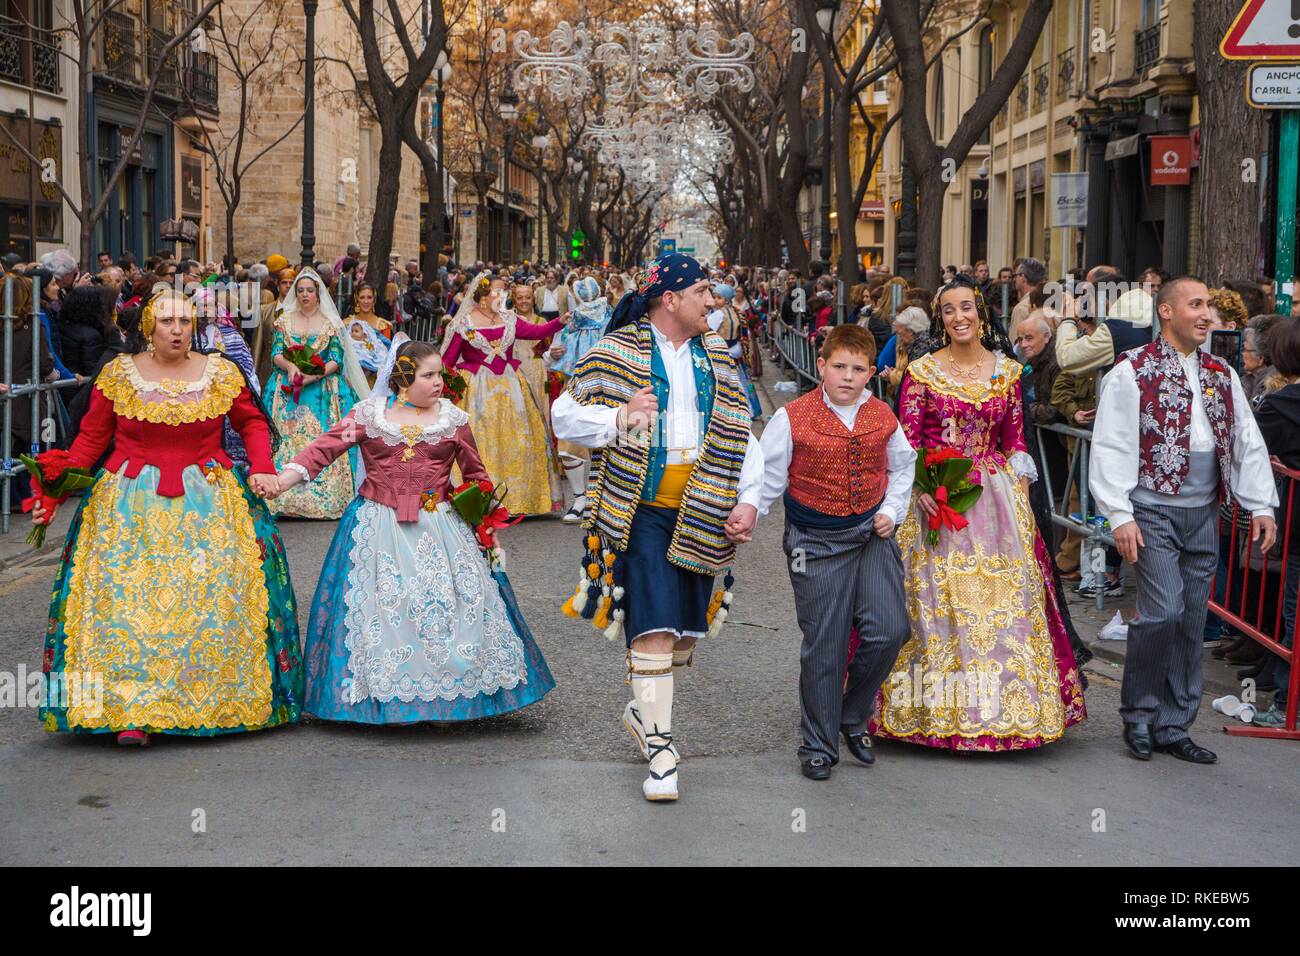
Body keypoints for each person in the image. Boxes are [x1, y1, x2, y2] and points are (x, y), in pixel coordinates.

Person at [31, 290, 302, 746]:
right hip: (127, 505)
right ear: (148, 327)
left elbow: (252, 422)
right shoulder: (119, 375)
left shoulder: (218, 373)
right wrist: (53, 490)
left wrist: (261, 467)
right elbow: (89, 443)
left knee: (210, 599)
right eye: (167, 321)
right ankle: (128, 710)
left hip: (210, 499)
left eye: (184, 321)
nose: (177, 330)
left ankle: (209, 696)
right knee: (125, 605)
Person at [551, 253, 764, 801]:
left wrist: (749, 500)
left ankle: (642, 711)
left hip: (705, 509)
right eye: (701, 292)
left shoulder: (716, 352)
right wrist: (617, 417)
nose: (711, 302)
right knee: (654, 627)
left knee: (684, 637)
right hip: (638, 510)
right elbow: (564, 416)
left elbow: (742, 429)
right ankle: (662, 751)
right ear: (670, 299)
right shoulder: (618, 349)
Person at [271, 337, 554, 723]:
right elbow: (324, 449)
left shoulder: (452, 421)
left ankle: (450, 695)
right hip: (377, 523)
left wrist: (488, 528)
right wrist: (283, 481)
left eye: (440, 374)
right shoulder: (369, 417)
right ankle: (386, 696)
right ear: (404, 378)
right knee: (386, 608)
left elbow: (476, 477)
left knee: (445, 606)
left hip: (439, 525)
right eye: (429, 375)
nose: (439, 382)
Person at [872, 276, 1087, 750]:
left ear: (981, 313)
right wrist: (924, 489)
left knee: (1002, 603)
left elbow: (1013, 440)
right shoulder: (924, 371)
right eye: (948, 310)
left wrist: (1019, 485)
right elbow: (909, 441)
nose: (959, 317)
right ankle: (933, 712)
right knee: (937, 601)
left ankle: (1006, 712)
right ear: (941, 320)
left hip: (996, 502)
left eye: (966, 307)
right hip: (939, 495)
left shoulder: (1007, 373)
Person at [1090, 276, 1277, 763]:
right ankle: (1139, 715)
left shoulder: (1222, 373)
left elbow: (1245, 440)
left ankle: (1175, 723)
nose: (1205, 314)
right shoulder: (1131, 371)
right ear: (1167, 312)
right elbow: (1111, 443)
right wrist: (1119, 513)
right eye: (1195, 304)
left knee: (1192, 617)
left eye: (1208, 306)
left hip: (1203, 512)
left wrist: (1260, 504)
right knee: (1162, 612)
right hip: (1151, 510)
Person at [734, 325, 913, 779]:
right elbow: (769, 476)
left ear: (872, 372)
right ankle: (817, 743)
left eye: (858, 369)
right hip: (814, 544)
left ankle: (852, 716)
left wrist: (892, 510)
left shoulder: (883, 416)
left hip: (871, 535)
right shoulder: (791, 417)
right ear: (821, 367)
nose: (848, 377)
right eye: (839, 367)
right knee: (826, 645)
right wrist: (751, 511)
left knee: (890, 630)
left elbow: (902, 466)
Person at [441, 272, 567, 516]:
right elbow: (448, 360)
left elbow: (535, 333)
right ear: (484, 295)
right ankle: (482, 497)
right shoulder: (464, 323)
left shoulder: (509, 319)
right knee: (482, 441)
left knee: (519, 439)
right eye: (498, 292)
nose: (502, 296)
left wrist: (560, 321)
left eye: (504, 292)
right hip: (478, 393)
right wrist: (446, 392)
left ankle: (520, 499)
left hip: (512, 389)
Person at [265, 268, 370, 519]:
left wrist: (315, 375)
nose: (304, 295)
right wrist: (290, 366)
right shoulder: (284, 320)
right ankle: (281, 491)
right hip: (288, 389)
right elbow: (276, 353)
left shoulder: (330, 323)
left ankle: (324, 492)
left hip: (323, 391)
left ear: (318, 293)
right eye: (300, 291)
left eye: (309, 290)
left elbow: (336, 358)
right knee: (286, 439)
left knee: (322, 439)